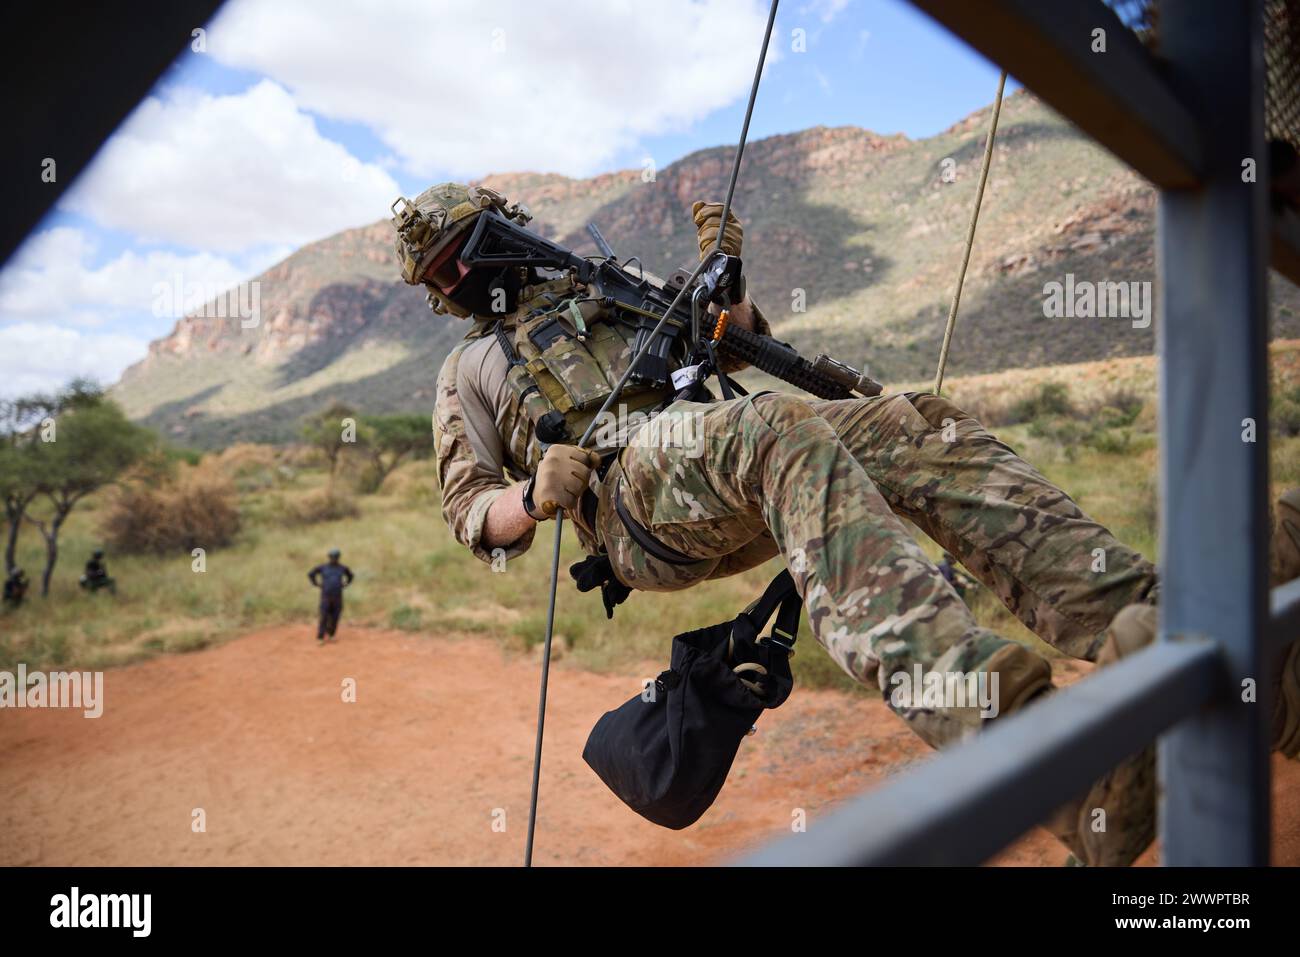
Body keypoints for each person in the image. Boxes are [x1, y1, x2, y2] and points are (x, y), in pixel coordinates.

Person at [397, 182, 1300, 866]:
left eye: (466, 249)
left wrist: (727, 292)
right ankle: (1051, 762)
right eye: (444, 272)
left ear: (500, 224)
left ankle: (1179, 627)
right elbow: (467, 506)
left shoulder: (605, 288)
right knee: (769, 427)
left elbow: (733, 337)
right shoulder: (470, 366)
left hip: (726, 454)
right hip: (630, 505)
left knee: (917, 422)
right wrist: (534, 496)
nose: (465, 273)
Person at [308, 548, 354, 644]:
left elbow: (350, 576)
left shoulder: (342, 568)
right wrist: (316, 583)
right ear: (329, 557)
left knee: (335, 616)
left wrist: (345, 584)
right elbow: (311, 574)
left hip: (337, 597)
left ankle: (331, 635)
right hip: (326, 596)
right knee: (324, 616)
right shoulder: (323, 567)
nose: (334, 559)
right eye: (332, 557)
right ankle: (320, 637)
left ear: (338, 558)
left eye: (336, 557)